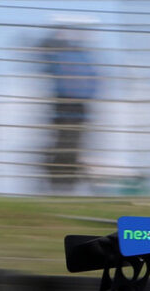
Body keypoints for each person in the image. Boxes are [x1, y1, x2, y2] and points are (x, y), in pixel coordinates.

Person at [35, 19, 102, 193]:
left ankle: (63, 185)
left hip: (74, 108)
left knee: (67, 149)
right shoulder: (69, 53)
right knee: (65, 148)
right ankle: (60, 185)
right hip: (68, 106)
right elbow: (43, 51)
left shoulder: (76, 55)